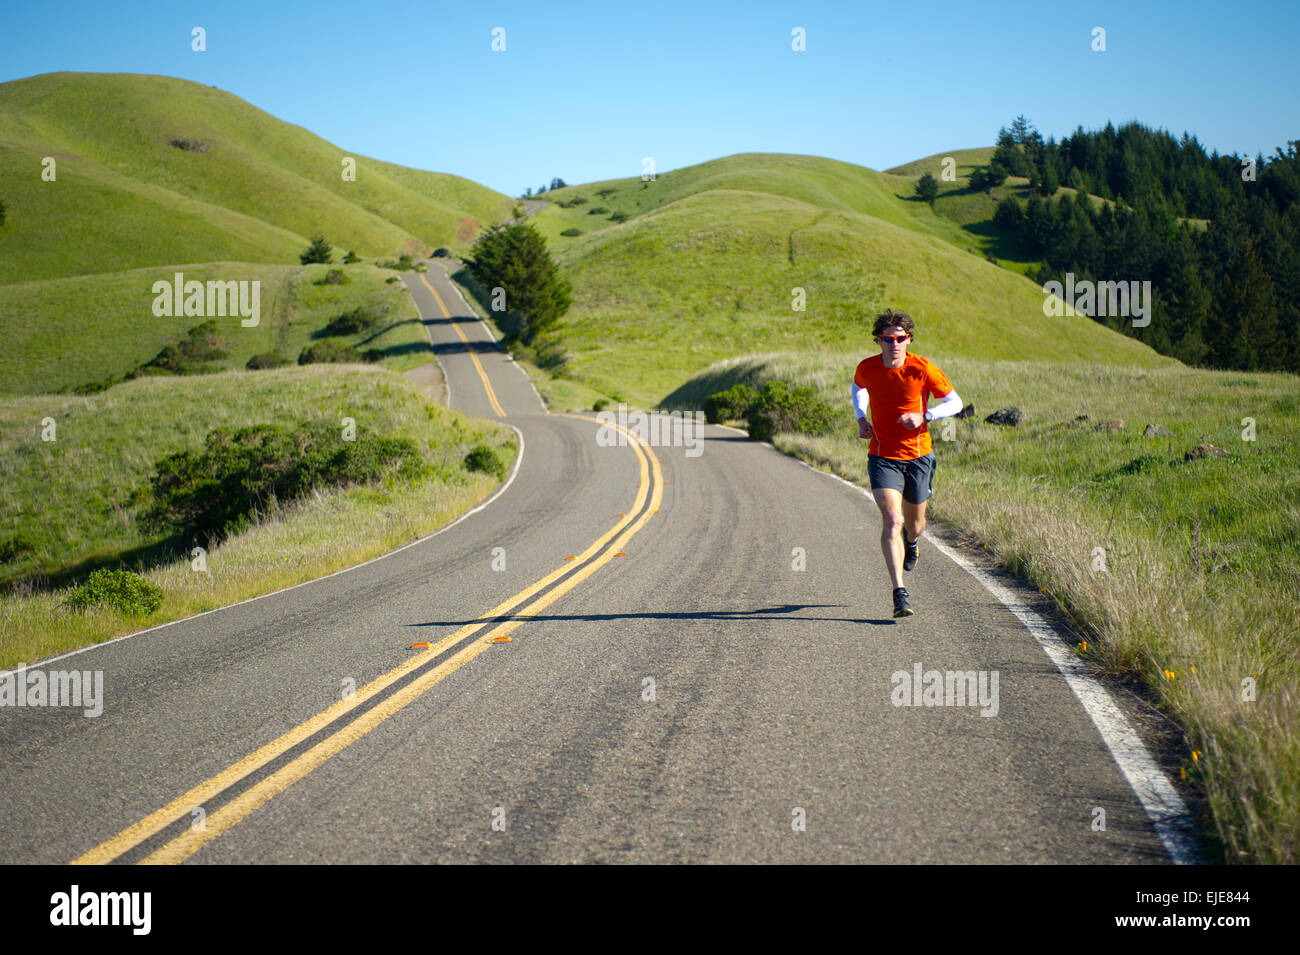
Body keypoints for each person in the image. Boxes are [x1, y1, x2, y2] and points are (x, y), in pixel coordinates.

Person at [852, 309, 963, 618]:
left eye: (900, 338)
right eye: (888, 339)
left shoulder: (923, 369)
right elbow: (857, 387)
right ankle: (899, 593)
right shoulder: (868, 368)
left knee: (914, 525)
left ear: (908, 339)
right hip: (882, 456)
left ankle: (912, 543)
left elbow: (956, 403)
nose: (894, 344)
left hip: (918, 456)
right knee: (892, 520)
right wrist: (861, 418)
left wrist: (925, 416)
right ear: (879, 341)